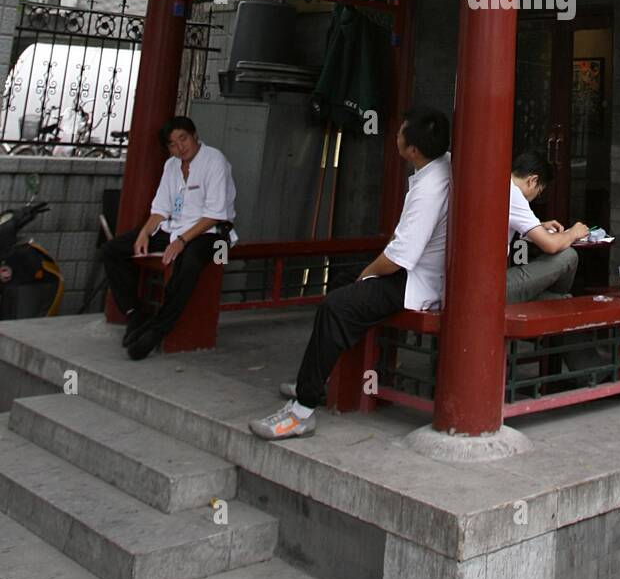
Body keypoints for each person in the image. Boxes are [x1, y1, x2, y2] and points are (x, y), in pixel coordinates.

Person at [250, 106, 451, 441]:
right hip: (416, 273)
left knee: (336, 306)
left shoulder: (430, 189)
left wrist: (368, 275)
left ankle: (302, 411)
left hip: (414, 282)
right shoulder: (444, 164)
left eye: (401, 132)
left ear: (412, 149)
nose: (396, 135)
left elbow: (400, 258)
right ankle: (313, 380)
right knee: (342, 287)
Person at [103, 116, 236, 360]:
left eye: (183, 139)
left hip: (212, 234)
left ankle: (159, 328)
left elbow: (215, 214)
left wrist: (182, 241)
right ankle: (134, 312)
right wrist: (144, 232)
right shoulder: (171, 166)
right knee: (114, 250)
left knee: (190, 263)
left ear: (194, 135)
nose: (180, 147)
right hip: (173, 228)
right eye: (173, 144)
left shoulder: (214, 160)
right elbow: (161, 208)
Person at [505, 150, 589, 303]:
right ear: (532, 180)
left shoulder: (500, 184)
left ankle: (559, 300)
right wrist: (574, 233)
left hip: (479, 283)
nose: (537, 197)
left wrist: (538, 226)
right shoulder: (514, 194)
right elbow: (550, 245)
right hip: (496, 287)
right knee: (568, 256)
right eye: (539, 191)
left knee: (557, 300)